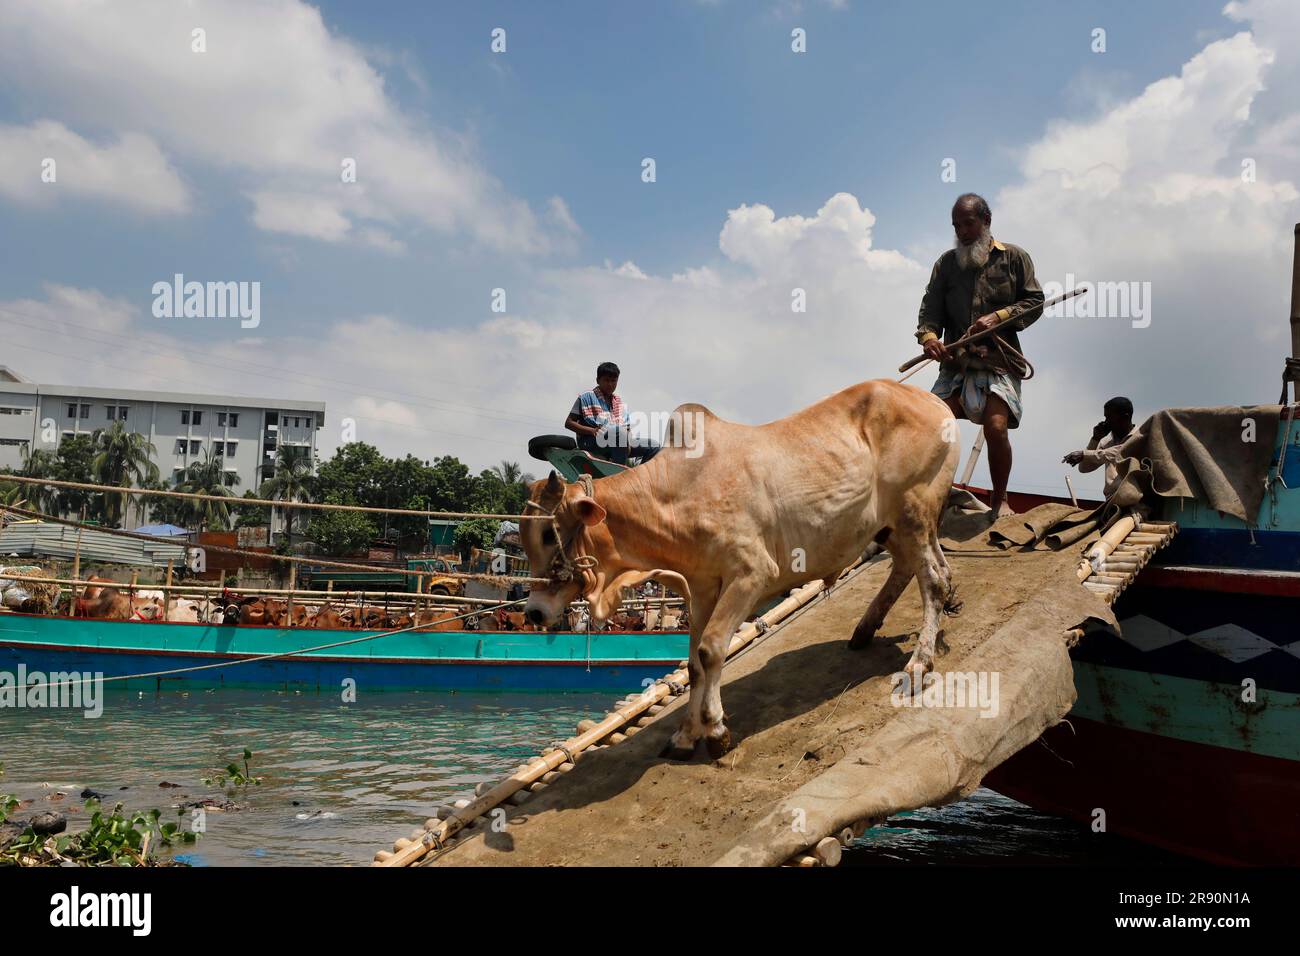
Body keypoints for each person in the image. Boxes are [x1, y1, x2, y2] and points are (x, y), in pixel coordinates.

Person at [917, 193, 1044, 517]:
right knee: (931, 425)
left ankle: (999, 499)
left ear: (986, 221)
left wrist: (999, 317)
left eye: (968, 223)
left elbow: (1035, 302)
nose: (962, 231)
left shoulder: (1015, 257)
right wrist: (930, 338)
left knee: (996, 427)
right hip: (956, 365)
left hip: (999, 363)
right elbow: (929, 312)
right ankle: (932, 497)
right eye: (956, 225)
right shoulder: (946, 264)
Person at [564, 362, 657, 466]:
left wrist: (628, 440)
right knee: (620, 434)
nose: (610, 384)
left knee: (654, 446)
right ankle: (618, 473)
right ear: (598, 380)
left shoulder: (618, 402)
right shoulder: (586, 397)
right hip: (591, 441)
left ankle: (638, 475)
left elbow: (627, 428)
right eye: (606, 380)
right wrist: (592, 431)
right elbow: (569, 423)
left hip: (619, 439)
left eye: (613, 381)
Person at [1063, 397, 1137, 499]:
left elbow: (1120, 451)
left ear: (1125, 417)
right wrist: (1095, 439)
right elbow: (1084, 468)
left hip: (1135, 500)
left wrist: (1084, 454)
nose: (1106, 422)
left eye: (1110, 417)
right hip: (1111, 501)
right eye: (1105, 417)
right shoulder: (1106, 442)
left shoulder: (1139, 437)